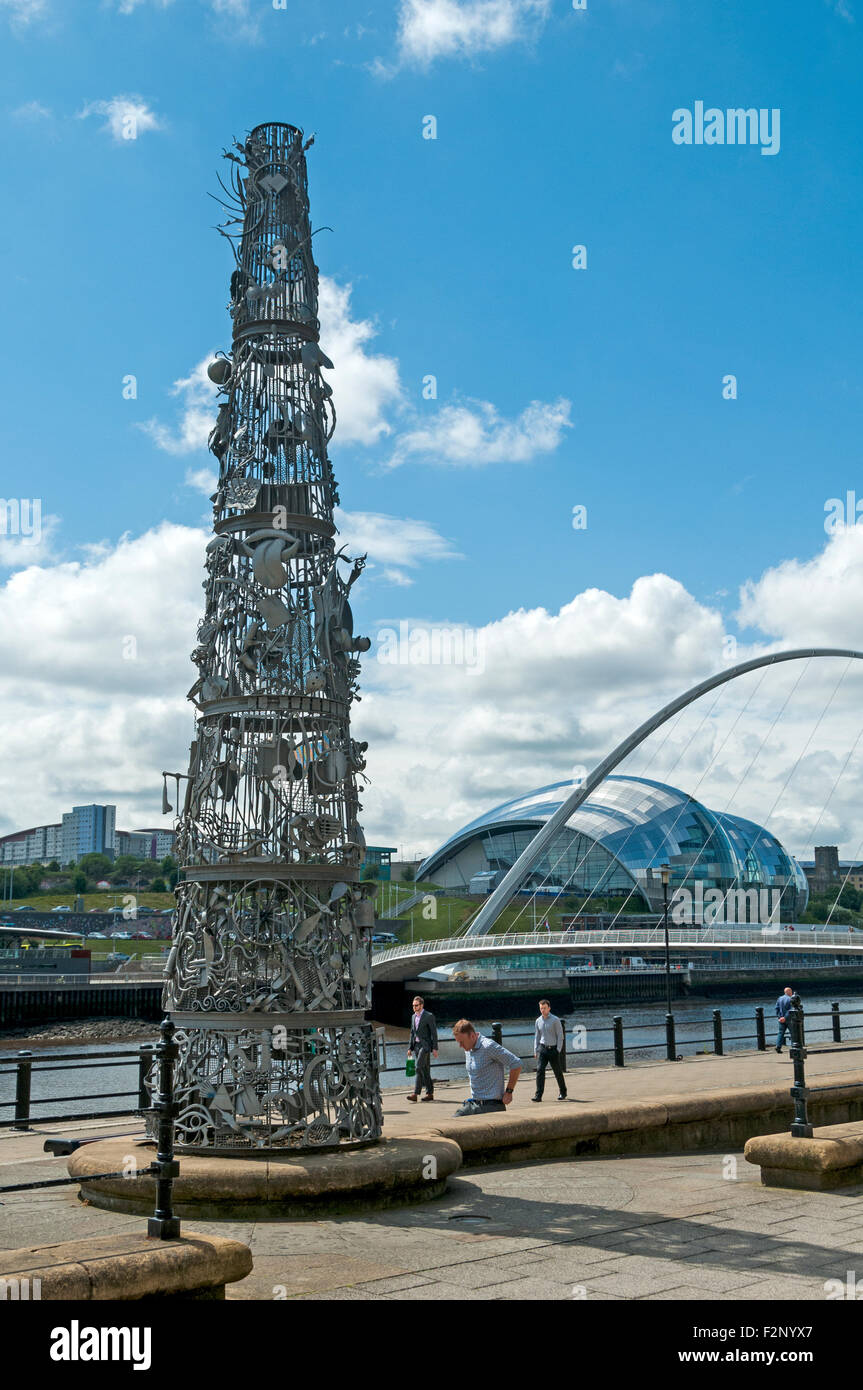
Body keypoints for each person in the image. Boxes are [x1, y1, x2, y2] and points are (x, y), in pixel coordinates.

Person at [451, 1019, 521, 1116]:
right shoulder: (468, 1048)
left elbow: (516, 1063)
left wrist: (509, 1092)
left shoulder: (488, 1046)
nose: (460, 1046)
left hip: (492, 1106)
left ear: (472, 1036)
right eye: (458, 1042)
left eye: (462, 1042)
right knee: (454, 1120)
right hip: (474, 1104)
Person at [532, 998, 567, 1101]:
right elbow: (537, 1037)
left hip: (553, 1050)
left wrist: (558, 1050)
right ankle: (538, 1095)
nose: (542, 1010)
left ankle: (563, 1092)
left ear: (549, 1008)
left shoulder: (555, 1020)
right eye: (541, 1008)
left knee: (557, 1072)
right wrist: (535, 1050)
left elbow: (560, 1036)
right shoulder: (538, 1021)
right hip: (542, 1049)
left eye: (544, 1008)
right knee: (539, 1070)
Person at [406, 994, 438, 1103]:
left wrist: (435, 1048)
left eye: (416, 1005)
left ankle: (415, 1093)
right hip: (416, 1046)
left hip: (425, 1046)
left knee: (418, 1066)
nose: (414, 1007)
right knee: (424, 1069)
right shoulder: (413, 1017)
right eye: (413, 1005)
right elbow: (412, 1033)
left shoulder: (429, 1016)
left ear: (422, 1005)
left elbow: (434, 1033)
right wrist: (410, 1047)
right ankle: (430, 1093)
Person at [774, 985, 797, 1052]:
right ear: (789, 992)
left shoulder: (779, 998)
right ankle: (794, 1047)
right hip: (789, 1019)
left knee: (781, 1033)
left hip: (781, 1019)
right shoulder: (791, 999)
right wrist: (785, 1017)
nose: (792, 992)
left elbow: (776, 1008)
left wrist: (780, 1017)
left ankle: (778, 1046)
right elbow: (790, 1010)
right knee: (793, 1033)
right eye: (791, 991)